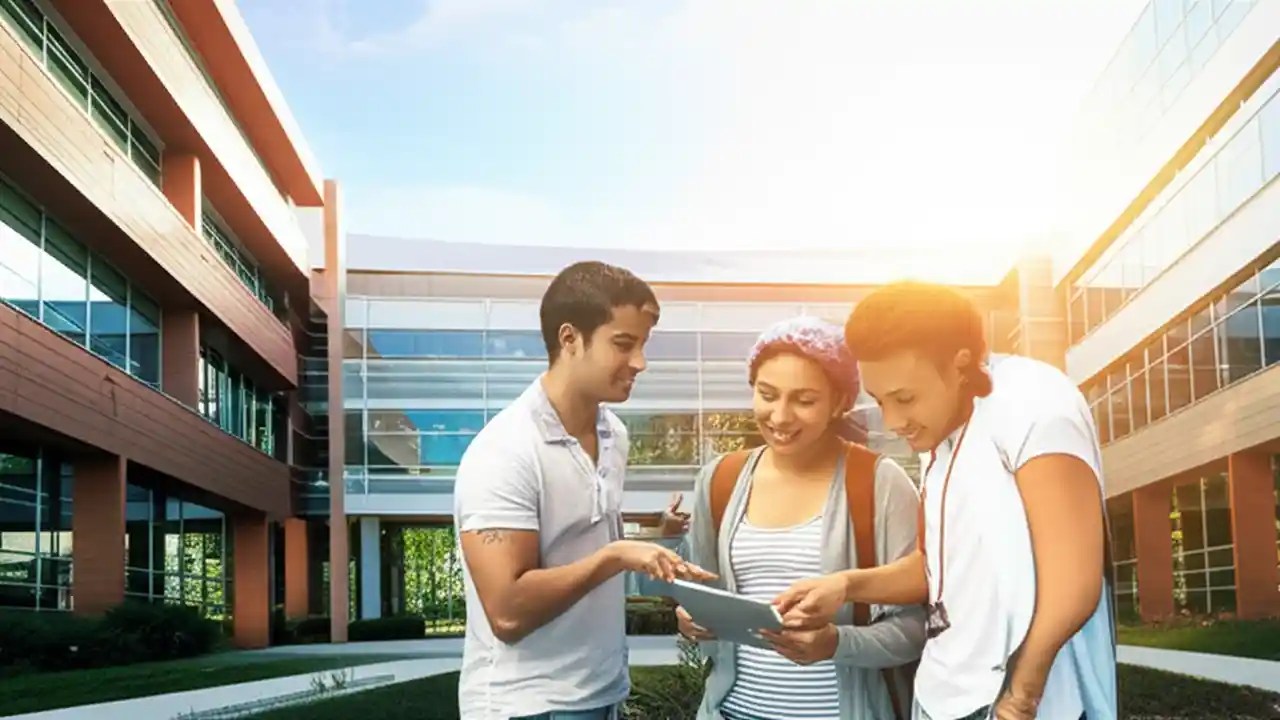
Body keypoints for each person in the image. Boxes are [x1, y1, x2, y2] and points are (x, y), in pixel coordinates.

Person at [773, 282, 1117, 720]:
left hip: (1025, 703)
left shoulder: (1034, 400)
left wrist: (1021, 696)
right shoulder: (942, 438)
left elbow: (1073, 582)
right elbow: (936, 569)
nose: (893, 421)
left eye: (905, 398)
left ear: (960, 364)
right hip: (942, 696)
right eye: (880, 401)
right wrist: (845, 585)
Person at [454, 261, 715, 720]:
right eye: (623, 344)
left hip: (601, 692)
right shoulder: (504, 450)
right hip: (528, 706)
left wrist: (649, 537)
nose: (640, 362)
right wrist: (616, 555)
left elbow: (580, 539)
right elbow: (509, 613)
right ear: (569, 338)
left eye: (642, 345)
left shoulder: (613, 434)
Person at [677, 316, 925, 720]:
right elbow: (703, 593)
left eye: (804, 400)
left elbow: (916, 628)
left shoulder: (880, 485)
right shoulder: (719, 480)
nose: (780, 416)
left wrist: (836, 643)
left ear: (839, 403)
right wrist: (692, 621)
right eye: (767, 394)